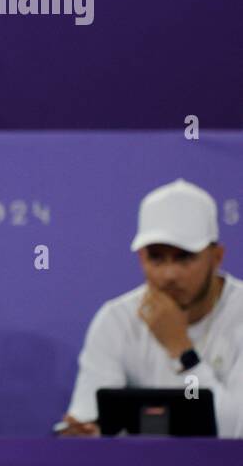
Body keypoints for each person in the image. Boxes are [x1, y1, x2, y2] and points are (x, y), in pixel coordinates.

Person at [59, 179, 241, 438]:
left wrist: (182, 352)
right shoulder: (116, 319)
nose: (169, 274)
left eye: (184, 257)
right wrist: (87, 434)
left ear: (216, 257)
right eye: (156, 257)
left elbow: (234, 433)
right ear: (141, 257)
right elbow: (89, 419)